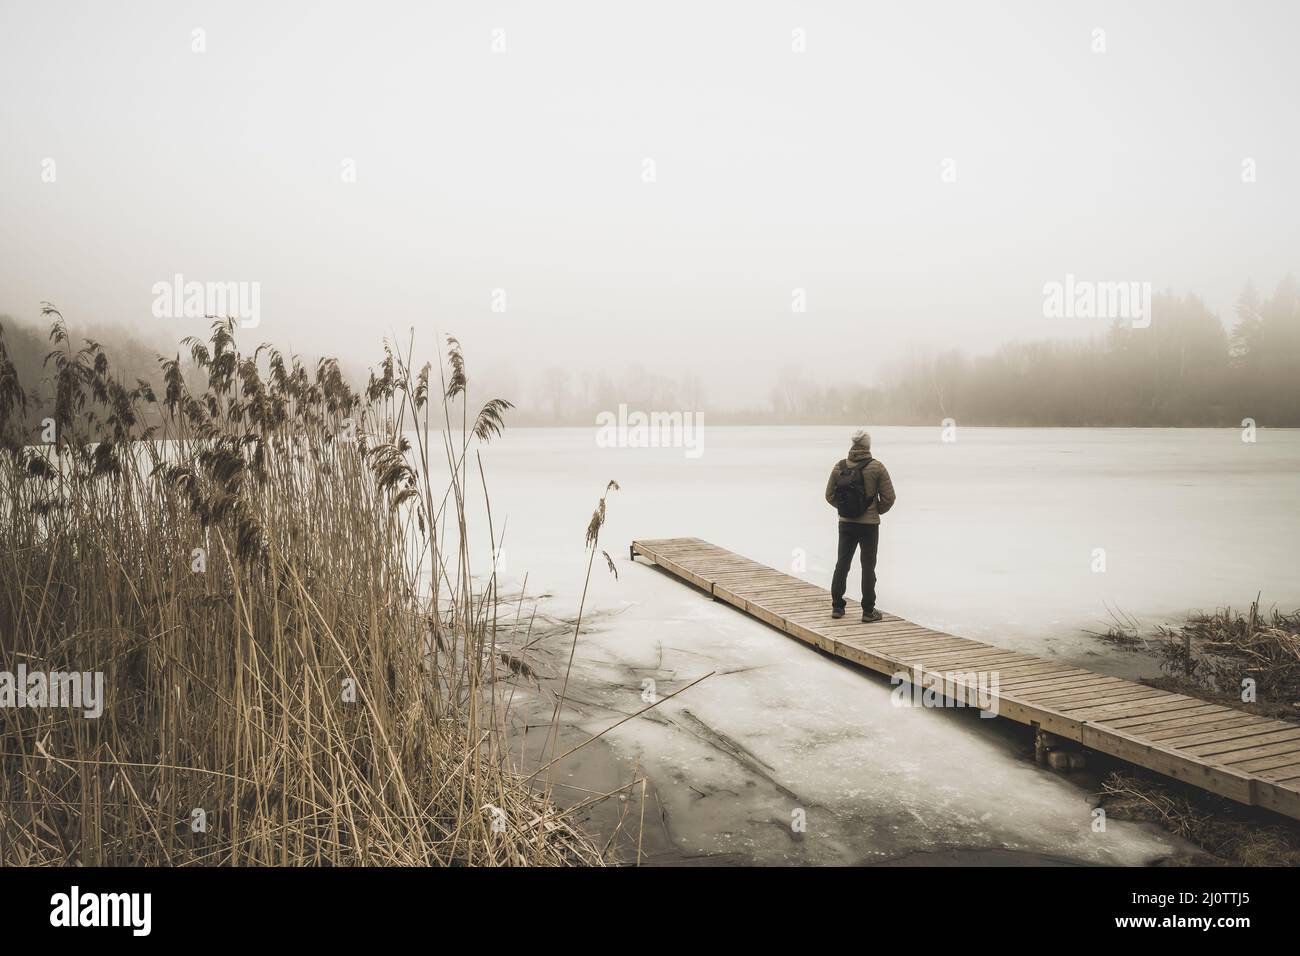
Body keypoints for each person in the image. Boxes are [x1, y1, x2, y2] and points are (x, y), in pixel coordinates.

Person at [824, 429, 896, 621]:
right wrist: (876, 510)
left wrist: (844, 510)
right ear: (868, 445)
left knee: (842, 564)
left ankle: (837, 608)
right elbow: (890, 497)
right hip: (869, 526)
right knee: (868, 567)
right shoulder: (877, 467)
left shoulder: (839, 466)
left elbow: (829, 495)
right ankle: (868, 611)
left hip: (845, 524)